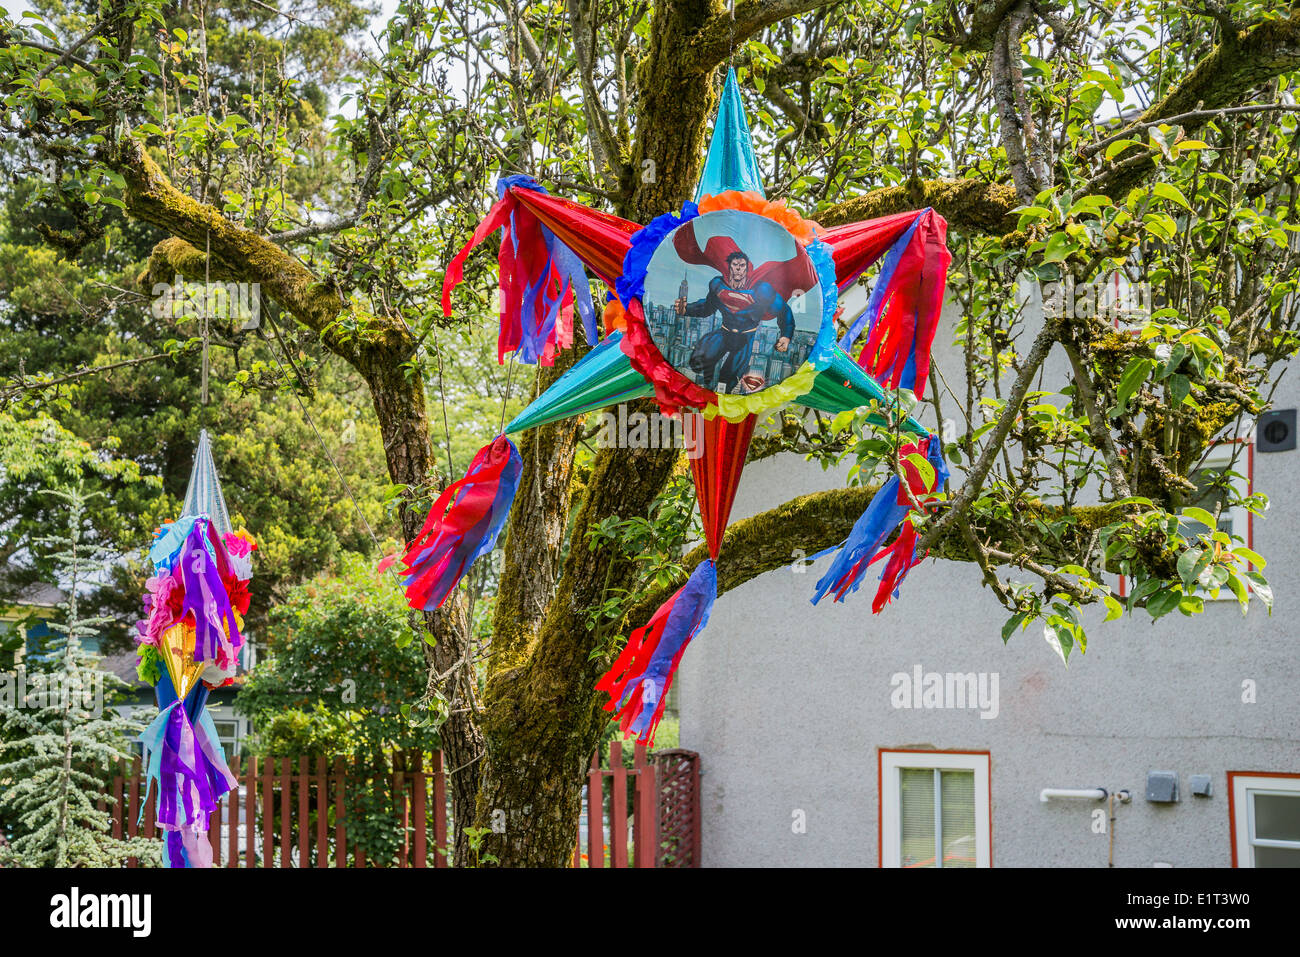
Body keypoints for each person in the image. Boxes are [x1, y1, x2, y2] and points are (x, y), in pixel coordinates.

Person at [674, 249, 793, 394]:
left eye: (742, 265)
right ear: (729, 267)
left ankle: (717, 394)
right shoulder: (718, 285)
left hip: (745, 338)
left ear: (747, 268)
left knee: (728, 379)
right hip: (725, 332)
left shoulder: (762, 290)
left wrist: (786, 335)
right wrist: (686, 309)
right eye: (735, 264)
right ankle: (707, 386)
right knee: (698, 361)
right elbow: (707, 307)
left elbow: (783, 310)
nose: (738, 268)